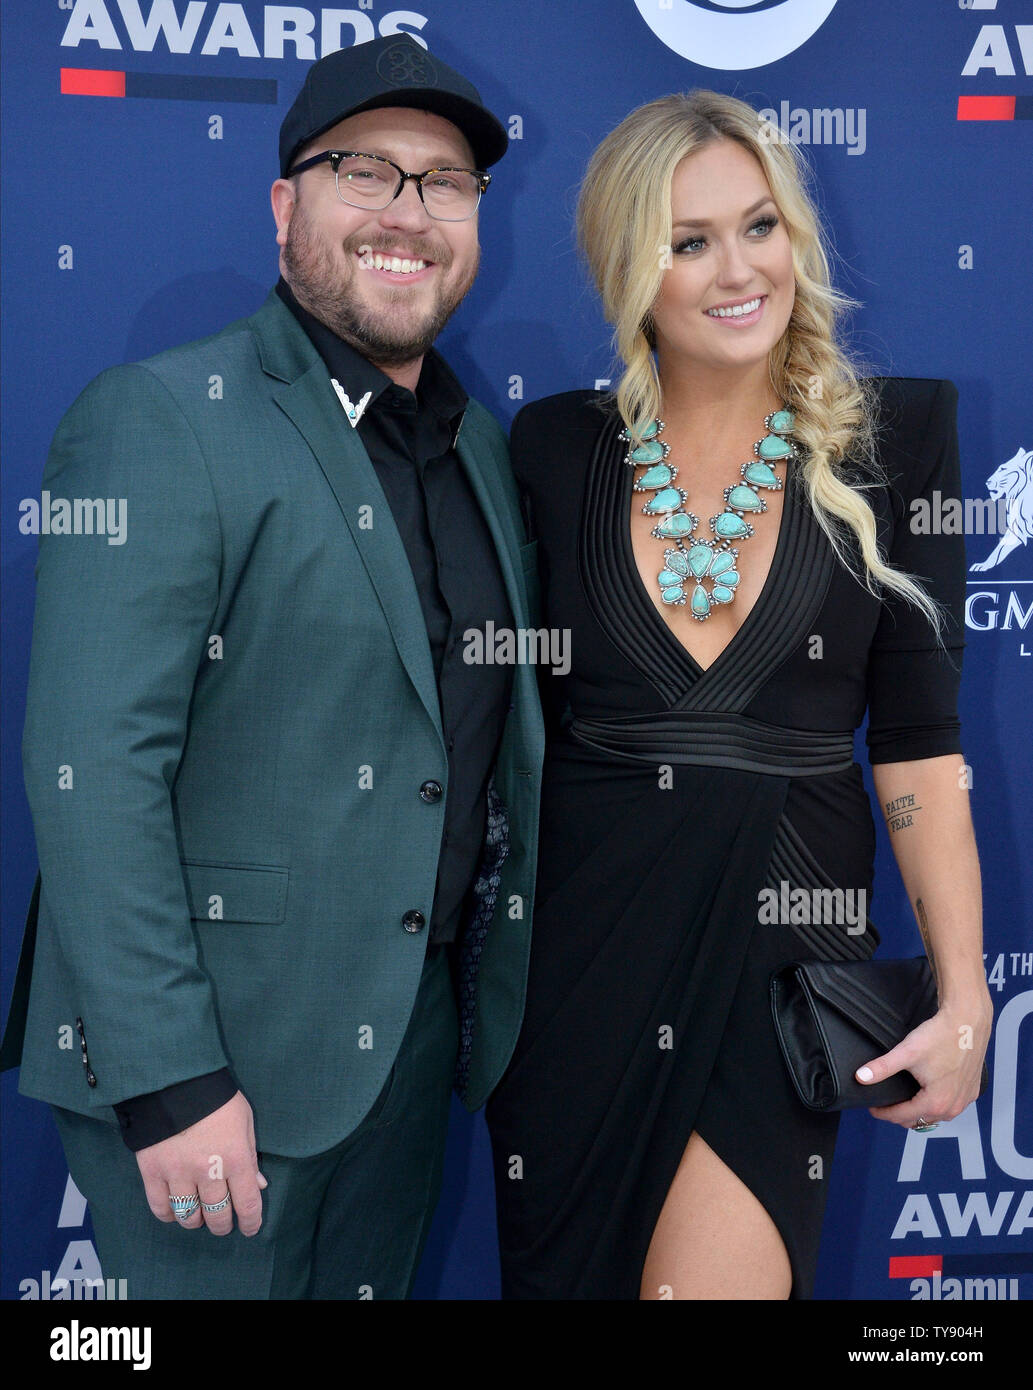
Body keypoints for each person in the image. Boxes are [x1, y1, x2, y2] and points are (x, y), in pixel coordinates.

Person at [1, 33, 544, 1300]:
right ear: (285, 204)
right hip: (214, 1068)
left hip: (403, 1055)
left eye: (447, 183)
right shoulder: (161, 418)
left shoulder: (476, 448)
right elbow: (90, 766)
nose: (409, 213)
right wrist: (169, 1077)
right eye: (367, 170)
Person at [484, 91, 992, 1301]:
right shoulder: (553, 451)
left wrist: (964, 990)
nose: (735, 269)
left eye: (759, 225)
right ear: (625, 267)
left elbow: (919, 752)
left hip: (776, 964)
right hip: (578, 969)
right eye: (686, 239)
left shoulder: (894, 441)